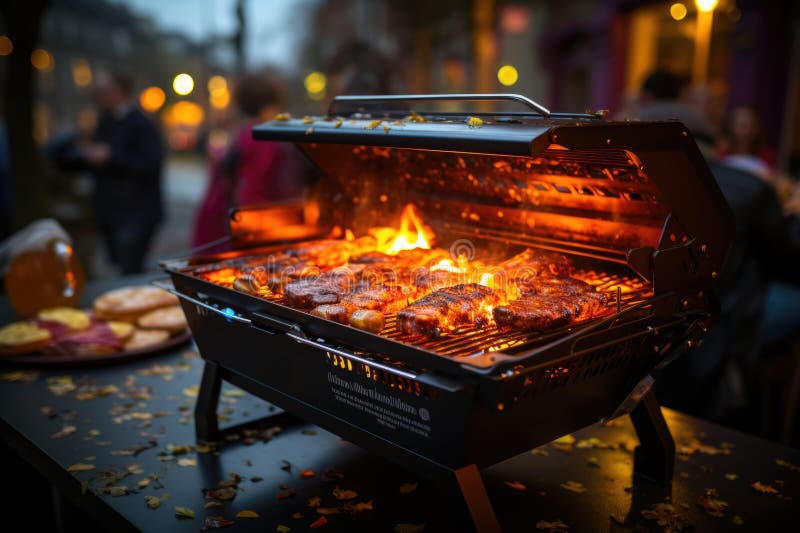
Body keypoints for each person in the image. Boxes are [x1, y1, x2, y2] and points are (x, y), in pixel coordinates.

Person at [48, 70, 164, 274]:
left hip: (135, 213)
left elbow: (151, 164)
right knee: (119, 264)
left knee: (129, 267)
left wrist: (111, 156)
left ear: (120, 91)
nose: (98, 95)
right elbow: (84, 160)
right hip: (109, 211)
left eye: (104, 90)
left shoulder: (142, 124)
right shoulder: (104, 123)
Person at [192, 69, 310, 248]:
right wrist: (287, 222)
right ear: (271, 105)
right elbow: (249, 195)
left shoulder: (242, 133)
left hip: (215, 219)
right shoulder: (262, 138)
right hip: (233, 230)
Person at [716, 105, 777, 180]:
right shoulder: (721, 154)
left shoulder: (767, 156)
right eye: (741, 125)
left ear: (757, 128)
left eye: (750, 125)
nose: (745, 131)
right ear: (731, 126)